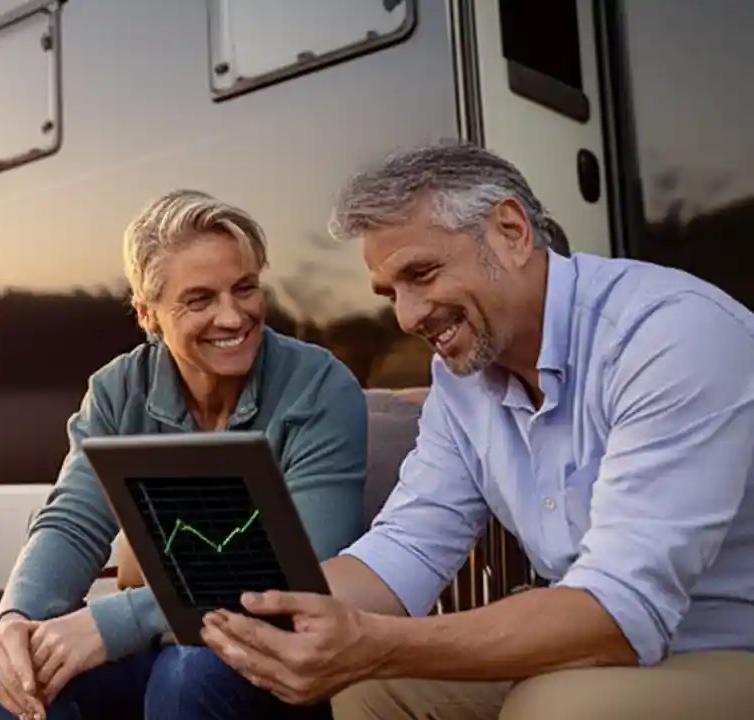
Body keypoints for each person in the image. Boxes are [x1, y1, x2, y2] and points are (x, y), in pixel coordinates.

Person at [197, 141, 754, 719]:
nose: (409, 318)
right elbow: (408, 544)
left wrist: (377, 644)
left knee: (557, 709)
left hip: (726, 643)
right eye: (391, 295)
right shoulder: (463, 379)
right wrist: (257, 606)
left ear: (510, 231)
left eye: (422, 273)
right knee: (368, 689)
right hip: (605, 639)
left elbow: (621, 607)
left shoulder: (669, 337)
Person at [0, 189, 369, 720]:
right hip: (170, 641)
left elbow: (301, 570)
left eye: (245, 289)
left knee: (189, 675)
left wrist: (112, 623)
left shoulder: (319, 387)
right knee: (26, 677)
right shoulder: (118, 390)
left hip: (282, 657)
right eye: (200, 300)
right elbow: (71, 520)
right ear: (148, 315)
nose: (233, 317)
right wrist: (14, 618)